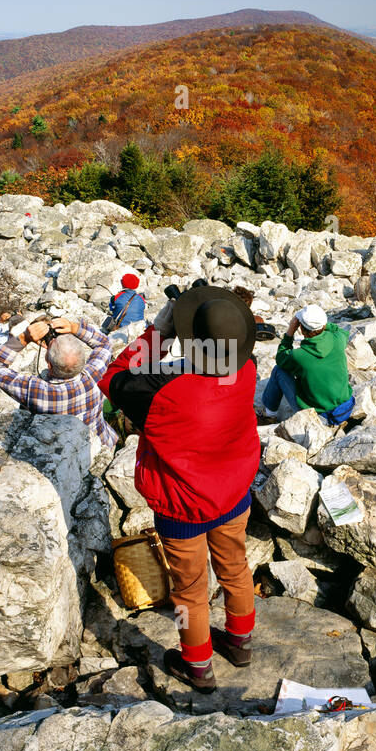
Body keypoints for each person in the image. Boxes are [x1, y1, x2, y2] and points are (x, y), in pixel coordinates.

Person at [99, 287, 261, 691]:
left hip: (182, 507)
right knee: (235, 568)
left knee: (189, 589)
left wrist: (159, 330)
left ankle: (198, 664)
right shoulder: (248, 370)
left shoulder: (159, 391)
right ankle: (240, 642)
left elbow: (112, 376)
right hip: (234, 494)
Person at [0, 315, 116, 448]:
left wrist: (24, 338)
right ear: (83, 359)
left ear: (49, 365)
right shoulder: (96, 373)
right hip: (102, 444)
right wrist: (74, 328)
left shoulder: (37, 391)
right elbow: (104, 343)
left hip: (62, 453)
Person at [263, 304, 354, 424]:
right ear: (323, 325)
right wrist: (322, 325)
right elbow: (339, 330)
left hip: (319, 417)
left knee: (279, 371)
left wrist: (290, 332)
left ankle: (269, 415)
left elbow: (281, 357)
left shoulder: (299, 356)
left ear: (301, 329)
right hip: (344, 409)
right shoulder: (338, 339)